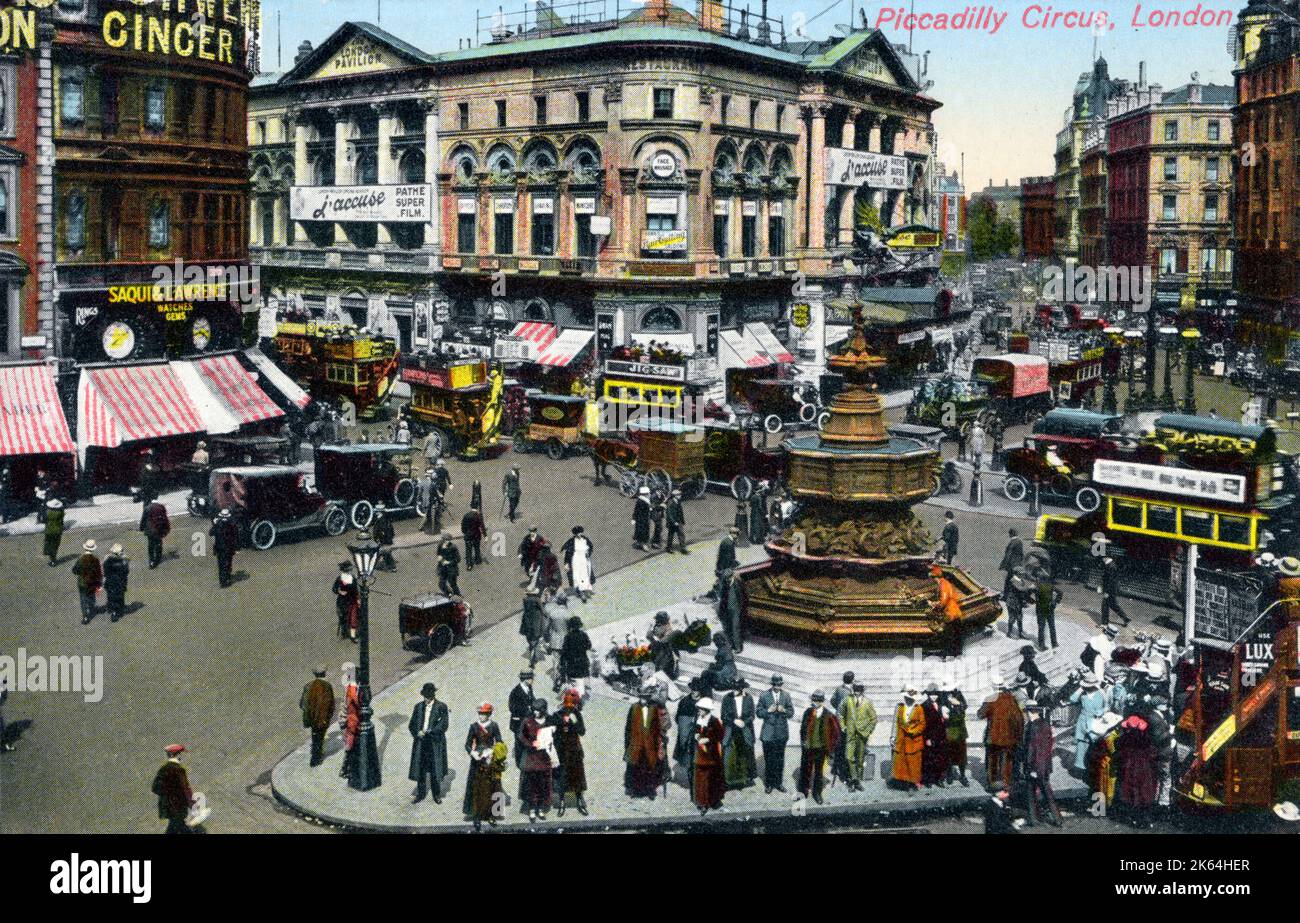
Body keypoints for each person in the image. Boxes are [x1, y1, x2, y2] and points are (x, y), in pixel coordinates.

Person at [1019, 701, 1062, 827]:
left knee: (1031, 793)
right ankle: (1057, 819)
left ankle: (1034, 819)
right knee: (1047, 792)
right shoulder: (1045, 724)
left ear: (1030, 712)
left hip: (1034, 766)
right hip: (1045, 765)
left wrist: (1032, 768)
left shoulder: (1032, 727)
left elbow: (1033, 748)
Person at [464, 703, 505, 830]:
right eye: (480, 714)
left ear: (489, 715)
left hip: (490, 759)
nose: (481, 716)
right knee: (477, 787)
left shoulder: (494, 726)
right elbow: (467, 744)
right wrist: (472, 753)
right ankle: (476, 816)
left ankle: (491, 814)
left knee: (492, 786)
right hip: (477, 760)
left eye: (484, 714)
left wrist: (492, 751)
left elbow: (499, 741)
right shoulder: (474, 727)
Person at [408, 682, 450, 804]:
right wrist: (417, 732)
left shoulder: (441, 706)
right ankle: (420, 794)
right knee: (420, 769)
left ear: (433, 696)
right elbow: (412, 724)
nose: (426, 699)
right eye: (425, 697)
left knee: (435, 769)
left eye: (428, 697)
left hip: (435, 742)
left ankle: (436, 795)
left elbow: (444, 724)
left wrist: (431, 731)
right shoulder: (418, 707)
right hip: (421, 742)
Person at [1115, 710, 1158, 828]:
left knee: (1131, 792)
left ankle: (1133, 817)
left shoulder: (1123, 739)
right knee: (1144, 792)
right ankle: (1144, 819)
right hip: (1144, 768)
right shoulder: (1147, 740)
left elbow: (1120, 753)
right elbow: (1153, 753)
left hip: (1129, 768)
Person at [978, 680, 1025, 790]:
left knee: (992, 760)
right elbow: (1019, 718)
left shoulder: (990, 699)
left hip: (993, 736)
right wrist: (1018, 735)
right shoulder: (1011, 699)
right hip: (1009, 737)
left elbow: (980, 714)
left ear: (993, 686)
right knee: (1007, 760)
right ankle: (1006, 783)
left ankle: (993, 784)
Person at [624, 689, 670, 799]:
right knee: (636, 766)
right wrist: (627, 743)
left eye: (646, 697)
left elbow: (661, 726)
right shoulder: (634, 708)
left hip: (650, 743)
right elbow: (628, 727)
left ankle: (650, 789)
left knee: (650, 766)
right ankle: (636, 790)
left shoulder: (654, 709)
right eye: (642, 697)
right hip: (636, 742)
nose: (643, 700)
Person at [798, 689, 841, 804]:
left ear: (822, 701)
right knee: (805, 771)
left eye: (818, 701)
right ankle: (803, 792)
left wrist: (831, 748)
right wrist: (803, 742)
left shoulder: (829, 715)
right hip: (808, 748)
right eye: (814, 700)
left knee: (818, 772)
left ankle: (817, 793)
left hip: (821, 749)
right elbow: (802, 729)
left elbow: (836, 733)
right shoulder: (808, 712)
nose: (815, 703)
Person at [552, 689, 588, 816]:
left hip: (574, 750)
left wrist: (575, 721)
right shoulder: (557, 714)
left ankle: (579, 801)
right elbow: (553, 733)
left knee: (577, 776)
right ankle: (562, 803)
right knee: (562, 777)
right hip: (561, 750)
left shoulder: (577, 714)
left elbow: (582, 731)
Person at [757, 674, 793, 793]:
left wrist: (784, 711)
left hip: (781, 733)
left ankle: (778, 783)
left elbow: (791, 712)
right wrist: (768, 710)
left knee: (779, 759)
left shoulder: (786, 696)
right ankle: (769, 784)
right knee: (769, 759)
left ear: (781, 684)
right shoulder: (764, 695)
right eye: (775, 685)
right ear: (772, 684)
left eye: (779, 685)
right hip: (768, 733)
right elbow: (758, 712)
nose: (777, 687)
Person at [518, 699, 553, 823]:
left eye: (538, 710)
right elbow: (521, 737)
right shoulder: (528, 721)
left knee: (543, 784)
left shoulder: (549, 721)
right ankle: (532, 809)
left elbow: (555, 734)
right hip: (532, 758)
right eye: (534, 710)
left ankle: (541, 809)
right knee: (532, 785)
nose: (535, 712)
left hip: (544, 757)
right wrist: (531, 744)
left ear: (543, 710)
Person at [838, 682, 877, 791]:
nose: (856, 692)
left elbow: (874, 719)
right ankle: (852, 779)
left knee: (860, 759)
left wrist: (868, 730)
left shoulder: (867, 702)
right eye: (855, 689)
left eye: (859, 689)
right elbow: (840, 713)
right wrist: (843, 726)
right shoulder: (847, 700)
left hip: (862, 735)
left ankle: (857, 781)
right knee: (849, 757)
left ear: (862, 690)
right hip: (850, 733)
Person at [720, 679, 757, 790]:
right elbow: (723, 716)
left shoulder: (749, 698)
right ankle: (728, 781)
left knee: (746, 751)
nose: (734, 691)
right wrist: (733, 721)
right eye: (733, 688)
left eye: (736, 689)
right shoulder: (727, 698)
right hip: (731, 729)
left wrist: (744, 722)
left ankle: (745, 779)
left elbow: (752, 715)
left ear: (741, 689)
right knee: (729, 753)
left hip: (744, 728)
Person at [691, 697, 726, 813]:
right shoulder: (697, 719)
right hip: (700, 754)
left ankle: (714, 801)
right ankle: (702, 803)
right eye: (699, 708)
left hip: (711, 755)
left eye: (701, 709)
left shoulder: (714, 721)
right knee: (701, 779)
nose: (699, 711)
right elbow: (694, 731)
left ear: (706, 710)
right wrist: (696, 735)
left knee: (712, 778)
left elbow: (721, 736)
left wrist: (708, 739)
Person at [152, 744, 195, 834]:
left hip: (167, 807)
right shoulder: (179, 770)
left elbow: (155, 788)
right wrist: (191, 803)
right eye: (180, 754)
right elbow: (185, 789)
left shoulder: (162, 770)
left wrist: (167, 795)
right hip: (179, 806)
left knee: (175, 827)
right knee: (179, 828)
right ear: (178, 755)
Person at [1069, 671, 1106, 772]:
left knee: (1094, 746)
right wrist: (1080, 688)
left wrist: (1101, 711)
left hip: (1095, 722)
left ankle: (1092, 769)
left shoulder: (1101, 692)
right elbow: (1072, 699)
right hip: (1083, 722)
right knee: (1081, 746)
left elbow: (1107, 706)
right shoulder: (1082, 694)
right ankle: (1081, 769)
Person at [890, 687, 926, 791]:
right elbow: (895, 723)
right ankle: (903, 782)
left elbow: (922, 724)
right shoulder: (899, 707)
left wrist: (913, 731)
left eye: (911, 698)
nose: (909, 699)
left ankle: (912, 783)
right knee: (901, 761)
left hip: (913, 740)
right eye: (907, 697)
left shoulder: (918, 708)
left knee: (913, 762)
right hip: (901, 739)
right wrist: (892, 736)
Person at [300, 667, 335, 768]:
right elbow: (330, 704)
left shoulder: (308, 686)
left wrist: (309, 714)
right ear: (324, 674)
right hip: (322, 718)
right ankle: (316, 758)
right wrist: (328, 716)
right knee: (319, 737)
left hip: (311, 717)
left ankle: (316, 755)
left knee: (315, 736)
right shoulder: (327, 686)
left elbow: (302, 703)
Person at [932, 564, 965, 658]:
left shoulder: (943, 584)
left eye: (933, 578)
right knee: (956, 633)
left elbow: (945, 599)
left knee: (950, 633)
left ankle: (950, 653)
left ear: (936, 577)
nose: (933, 580)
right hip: (955, 612)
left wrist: (937, 606)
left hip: (951, 612)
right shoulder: (945, 582)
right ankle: (956, 652)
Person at [921, 686, 949, 787]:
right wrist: (927, 738)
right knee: (929, 758)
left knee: (940, 758)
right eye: (932, 694)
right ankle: (928, 780)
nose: (934, 697)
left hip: (941, 735)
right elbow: (924, 724)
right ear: (928, 695)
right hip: (930, 735)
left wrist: (945, 718)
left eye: (936, 694)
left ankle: (939, 779)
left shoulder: (940, 704)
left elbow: (944, 719)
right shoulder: (924, 706)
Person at [507, 670, 535, 767]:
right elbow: (512, 707)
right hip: (518, 722)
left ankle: (527, 757)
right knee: (519, 742)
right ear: (524, 679)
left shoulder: (529, 687)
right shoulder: (515, 692)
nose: (532, 680)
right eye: (530, 678)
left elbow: (532, 699)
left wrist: (535, 706)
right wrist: (526, 709)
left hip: (527, 721)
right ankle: (519, 763)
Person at [942, 688, 970, 786]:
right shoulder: (942, 695)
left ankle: (962, 775)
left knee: (961, 754)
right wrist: (942, 709)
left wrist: (957, 703)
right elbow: (940, 708)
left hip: (959, 728)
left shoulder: (958, 694)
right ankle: (949, 774)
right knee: (949, 752)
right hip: (948, 728)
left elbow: (965, 706)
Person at [561, 526, 595, 602]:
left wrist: (588, 553)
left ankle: (587, 590)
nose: (579, 535)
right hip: (576, 561)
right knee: (578, 577)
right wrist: (566, 563)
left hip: (584, 560)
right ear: (575, 534)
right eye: (577, 533)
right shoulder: (572, 542)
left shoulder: (585, 539)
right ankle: (581, 593)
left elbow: (590, 547)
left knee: (586, 575)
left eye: (580, 533)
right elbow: (568, 553)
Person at [339, 663, 360, 779]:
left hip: (348, 720)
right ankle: (345, 769)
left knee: (349, 747)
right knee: (350, 747)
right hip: (352, 721)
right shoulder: (352, 689)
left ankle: (345, 769)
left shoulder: (349, 687)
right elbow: (357, 702)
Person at [73, 539, 102, 625]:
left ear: (85, 548)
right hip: (92, 582)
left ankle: (85, 616)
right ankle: (92, 608)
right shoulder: (95, 559)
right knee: (91, 596)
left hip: (82, 582)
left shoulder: (80, 559)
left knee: (83, 599)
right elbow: (99, 572)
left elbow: (74, 570)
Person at [558, 616, 592, 687]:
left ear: (571, 626)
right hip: (583, 662)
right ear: (579, 625)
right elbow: (589, 646)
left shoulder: (568, 637)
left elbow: (564, 652)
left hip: (572, 664)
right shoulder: (584, 635)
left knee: (574, 684)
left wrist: (561, 663)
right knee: (582, 683)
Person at [716, 568, 744, 653]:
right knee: (728, 628)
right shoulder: (724, 583)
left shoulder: (737, 583)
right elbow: (721, 594)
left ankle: (738, 647)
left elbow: (741, 597)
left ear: (732, 576)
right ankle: (731, 645)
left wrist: (738, 609)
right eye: (726, 578)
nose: (727, 580)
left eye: (728, 578)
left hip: (735, 609)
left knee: (735, 628)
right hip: (726, 609)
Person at [210, 509, 239, 588]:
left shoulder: (218, 525)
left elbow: (210, 533)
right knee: (228, 563)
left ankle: (223, 581)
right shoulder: (232, 525)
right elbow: (236, 536)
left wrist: (214, 524)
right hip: (229, 548)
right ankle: (228, 577)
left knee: (221, 565)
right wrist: (236, 548)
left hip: (219, 548)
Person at [1100, 557, 1131, 627]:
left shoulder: (1111, 567)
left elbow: (1111, 581)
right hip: (1112, 590)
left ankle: (1104, 623)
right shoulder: (1110, 566)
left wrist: (1107, 592)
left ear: (1108, 558)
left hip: (1110, 590)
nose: (1103, 559)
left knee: (1105, 605)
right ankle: (1126, 619)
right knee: (1113, 605)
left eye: (1104, 558)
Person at [102, 543, 130, 623]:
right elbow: (126, 571)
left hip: (110, 581)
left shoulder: (108, 561)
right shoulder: (124, 561)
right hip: (120, 581)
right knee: (120, 595)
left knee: (111, 595)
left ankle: (112, 610)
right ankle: (119, 610)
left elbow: (105, 571)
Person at [520, 588, 547, 665]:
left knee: (529, 635)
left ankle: (532, 646)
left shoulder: (525, 599)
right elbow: (542, 610)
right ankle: (534, 655)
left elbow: (525, 609)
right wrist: (547, 615)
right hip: (536, 620)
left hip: (527, 619)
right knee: (536, 637)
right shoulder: (537, 600)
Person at [648, 611, 679, 679]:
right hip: (658, 649)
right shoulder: (658, 626)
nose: (656, 621)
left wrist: (653, 638)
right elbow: (648, 636)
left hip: (667, 651)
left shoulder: (669, 629)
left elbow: (663, 641)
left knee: (661, 667)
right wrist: (651, 628)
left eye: (657, 620)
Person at [1035, 573, 1063, 650]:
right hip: (1049, 609)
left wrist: (1032, 601)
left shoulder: (1037, 587)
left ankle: (1041, 645)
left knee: (1041, 628)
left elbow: (1029, 593)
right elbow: (1060, 593)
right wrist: (1055, 602)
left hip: (1041, 609)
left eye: (1038, 579)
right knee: (1052, 627)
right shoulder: (1050, 586)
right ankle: (1054, 643)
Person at [334, 562, 360, 642]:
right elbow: (334, 589)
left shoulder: (353, 578)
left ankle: (353, 636)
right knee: (343, 618)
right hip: (342, 601)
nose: (349, 572)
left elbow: (356, 590)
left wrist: (358, 599)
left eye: (350, 570)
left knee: (353, 619)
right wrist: (340, 592)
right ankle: (344, 633)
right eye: (348, 571)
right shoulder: (339, 579)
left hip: (352, 601)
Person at [136, 450, 161, 530]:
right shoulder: (152, 467)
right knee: (151, 507)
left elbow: (144, 479)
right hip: (153, 491)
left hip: (148, 491)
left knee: (146, 508)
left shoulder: (146, 467)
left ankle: (143, 526)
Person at [142, 499, 170, 569]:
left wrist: (141, 528)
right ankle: (158, 558)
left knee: (151, 545)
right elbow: (165, 518)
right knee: (158, 543)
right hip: (159, 529)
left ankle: (151, 560)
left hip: (150, 530)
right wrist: (166, 528)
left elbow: (143, 519)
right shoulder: (161, 507)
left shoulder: (147, 508)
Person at [998, 528, 1023, 597]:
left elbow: (1008, 555)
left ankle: (1006, 596)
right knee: (1016, 580)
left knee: (1008, 581)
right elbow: (1021, 554)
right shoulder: (1019, 541)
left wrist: (1003, 565)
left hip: (1012, 566)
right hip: (1017, 565)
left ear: (1011, 534)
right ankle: (1016, 595)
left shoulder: (1013, 542)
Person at [1005, 570, 1030, 640]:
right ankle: (1009, 633)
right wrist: (1029, 588)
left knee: (1019, 617)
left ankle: (1020, 632)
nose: (1023, 575)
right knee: (1012, 618)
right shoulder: (1013, 580)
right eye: (1021, 574)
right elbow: (1020, 589)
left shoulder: (1020, 580)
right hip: (1012, 602)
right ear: (1017, 573)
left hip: (1018, 602)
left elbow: (1022, 592)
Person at [460, 505, 485, 571]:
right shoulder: (478, 516)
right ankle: (477, 560)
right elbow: (482, 526)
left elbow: (463, 525)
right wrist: (485, 535)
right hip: (476, 534)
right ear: (477, 508)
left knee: (468, 550)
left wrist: (465, 532)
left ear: (471, 507)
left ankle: (469, 565)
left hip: (468, 535)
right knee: (476, 548)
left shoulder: (466, 515)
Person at [372, 505, 396, 571]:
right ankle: (390, 566)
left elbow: (380, 531)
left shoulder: (381, 521)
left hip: (384, 541)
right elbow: (392, 532)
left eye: (377, 511)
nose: (376, 513)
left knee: (385, 554)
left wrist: (379, 540)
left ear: (380, 512)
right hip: (386, 541)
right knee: (384, 554)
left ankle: (392, 567)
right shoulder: (385, 520)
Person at [664, 488, 688, 554]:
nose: (680, 496)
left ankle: (683, 549)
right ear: (675, 496)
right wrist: (674, 522)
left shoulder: (678, 501)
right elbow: (669, 514)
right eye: (679, 495)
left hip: (679, 521)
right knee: (671, 535)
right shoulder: (670, 503)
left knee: (681, 534)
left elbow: (680, 512)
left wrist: (682, 521)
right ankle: (669, 548)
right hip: (672, 523)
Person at [43, 499, 65, 566]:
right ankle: (53, 559)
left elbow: (44, 519)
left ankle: (51, 559)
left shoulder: (47, 512)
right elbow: (62, 521)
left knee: (49, 544)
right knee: (55, 545)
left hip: (49, 531)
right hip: (58, 531)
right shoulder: (61, 512)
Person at [632, 486, 652, 550]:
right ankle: (643, 544)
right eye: (648, 493)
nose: (649, 494)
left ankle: (639, 543)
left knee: (643, 531)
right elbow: (636, 511)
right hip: (641, 519)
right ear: (645, 494)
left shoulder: (644, 500)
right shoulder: (641, 501)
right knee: (642, 532)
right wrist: (634, 518)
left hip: (644, 519)